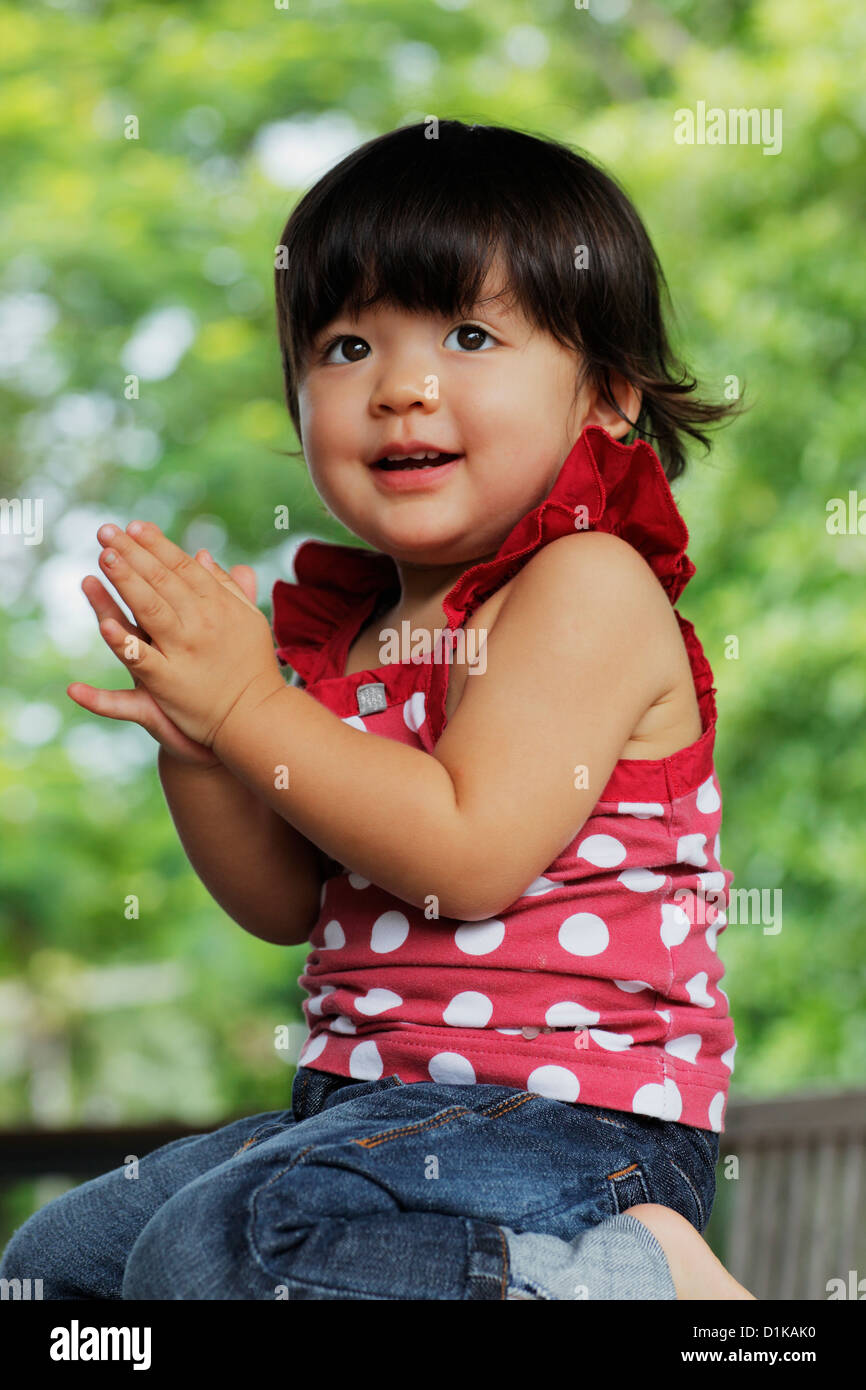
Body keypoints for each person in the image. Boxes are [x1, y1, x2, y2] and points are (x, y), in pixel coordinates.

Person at [2, 119, 755, 1300]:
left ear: (604, 398)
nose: (401, 387)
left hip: (572, 1120)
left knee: (222, 1251)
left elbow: (463, 858)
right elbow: (285, 901)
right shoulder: (348, 632)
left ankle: (628, 1278)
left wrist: (253, 699)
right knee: (56, 1269)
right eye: (348, 344)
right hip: (358, 1112)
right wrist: (205, 747)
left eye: (466, 335)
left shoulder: (582, 585)